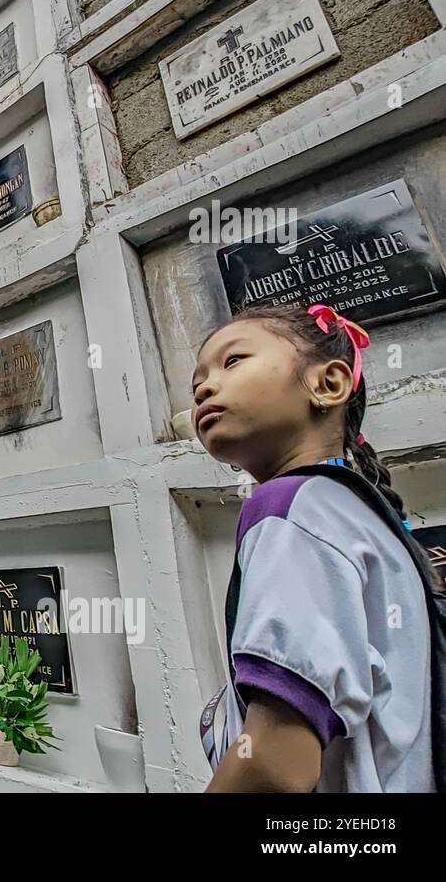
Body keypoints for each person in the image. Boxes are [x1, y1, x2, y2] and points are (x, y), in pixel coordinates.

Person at [191, 303, 434, 792]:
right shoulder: (354, 509)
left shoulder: (289, 506)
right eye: (196, 381)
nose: (204, 387)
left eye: (233, 361)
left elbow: (274, 762)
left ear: (327, 385)